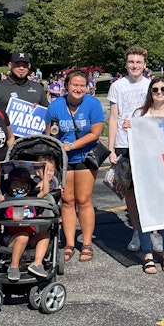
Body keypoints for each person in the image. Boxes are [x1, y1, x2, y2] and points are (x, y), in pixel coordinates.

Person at [44, 70, 104, 263]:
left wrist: (71, 145)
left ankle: (86, 243)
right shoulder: (55, 106)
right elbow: (49, 137)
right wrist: (51, 160)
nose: (78, 89)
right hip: (63, 158)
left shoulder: (93, 104)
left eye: (82, 85)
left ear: (87, 87)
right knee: (67, 200)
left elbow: (95, 133)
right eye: (74, 85)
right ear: (66, 86)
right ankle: (69, 243)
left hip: (86, 156)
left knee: (84, 199)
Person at [124, 76, 164, 274]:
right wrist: (128, 128)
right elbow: (132, 142)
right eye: (155, 89)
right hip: (144, 170)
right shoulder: (140, 114)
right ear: (150, 92)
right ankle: (147, 254)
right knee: (144, 213)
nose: (159, 93)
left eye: (163, 89)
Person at [108, 46, 152, 253]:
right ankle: (136, 231)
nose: (135, 65)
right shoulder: (118, 86)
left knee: (150, 190)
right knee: (130, 192)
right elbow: (113, 117)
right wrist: (111, 149)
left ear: (144, 64)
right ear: (126, 64)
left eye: (138, 62)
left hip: (147, 143)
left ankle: (152, 231)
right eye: (131, 62)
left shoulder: (152, 85)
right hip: (124, 144)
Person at [0, 166, 51, 280]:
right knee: (22, 236)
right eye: (15, 184)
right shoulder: (7, 199)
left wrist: (44, 174)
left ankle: (37, 264)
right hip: (11, 238)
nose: (19, 187)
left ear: (28, 186)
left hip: (30, 236)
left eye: (22, 184)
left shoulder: (32, 199)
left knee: (45, 234)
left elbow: (45, 191)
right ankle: (14, 266)